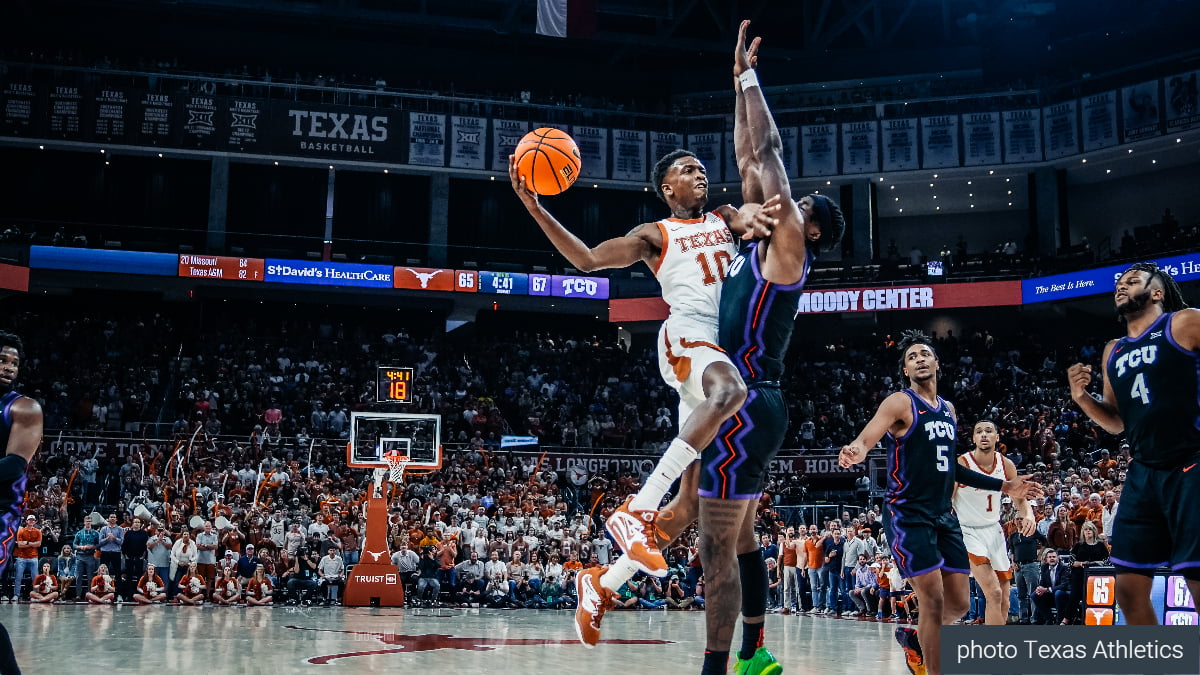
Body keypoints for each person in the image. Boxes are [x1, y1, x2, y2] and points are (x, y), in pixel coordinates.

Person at [511, 95, 774, 589]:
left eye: (701, 168)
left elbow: (749, 211)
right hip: (688, 335)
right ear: (667, 187)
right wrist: (536, 208)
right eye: (688, 170)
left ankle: (602, 585)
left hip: (721, 348)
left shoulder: (723, 217)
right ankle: (637, 507)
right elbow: (588, 260)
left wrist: (759, 219)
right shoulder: (655, 233)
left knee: (692, 501)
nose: (700, 174)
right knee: (731, 392)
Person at [839, 331, 1040, 675]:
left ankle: (916, 640)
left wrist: (1005, 486)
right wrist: (857, 449)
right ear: (905, 370)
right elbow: (869, 434)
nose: (919, 359)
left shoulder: (948, 410)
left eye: (925, 354)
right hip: (907, 513)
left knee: (958, 603)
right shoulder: (900, 402)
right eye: (912, 356)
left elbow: (953, 471)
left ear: (936, 363)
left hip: (943, 516)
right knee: (932, 598)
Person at [1067, 262, 1200, 625]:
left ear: (1157, 292)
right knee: (1127, 587)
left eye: (1133, 281)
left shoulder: (1184, 322)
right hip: (1143, 471)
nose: (1121, 287)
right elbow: (1116, 422)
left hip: (1190, 461)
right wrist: (1081, 397)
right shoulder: (1113, 350)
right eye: (1119, 284)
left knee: (1195, 577)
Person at [952, 420, 1036, 625]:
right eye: (979, 431)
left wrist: (1028, 515)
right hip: (967, 531)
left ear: (997, 437)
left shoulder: (1006, 464)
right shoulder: (962, 463)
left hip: (994, 532)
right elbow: (946, 499)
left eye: (989, 431)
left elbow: (1019, 498)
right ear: (973, 438)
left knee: (1004, 599)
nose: (984, 434)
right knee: (994, 592)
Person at [0, 331, 43, 672]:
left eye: (14, 362)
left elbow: (14, 465)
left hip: (1, 514)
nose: (9, 367)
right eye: (2, 359)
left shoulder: (25, 407)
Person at [1032, 550, 1071, 624]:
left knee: (1058, 593)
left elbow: (1064, 585)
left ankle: (1059, 621)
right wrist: (1039, 589)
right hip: (1051, 595)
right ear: (1046, 559)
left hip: (1063, 595)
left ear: (1058, 559)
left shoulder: (1064, 568)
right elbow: (1042, 583)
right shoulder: (1044, 567)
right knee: (1035, 595)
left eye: (1054, 557)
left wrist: (1047, 590)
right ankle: (1049, 619)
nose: (1052, 558)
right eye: (1049, 557)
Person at [13, 515, 41, 601]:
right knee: (18, 577)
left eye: (33, 520)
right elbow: (20, 545)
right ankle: (16, 595)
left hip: (34, 557)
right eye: (30, 520)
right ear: (26, 521)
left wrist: (27, 543)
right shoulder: (21, 531)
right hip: (21, 557)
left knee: (35, 578)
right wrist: (32, 544)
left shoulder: (38, 531)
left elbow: (38, 544)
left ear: (35, 521)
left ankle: (35, 595)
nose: (31, 521)